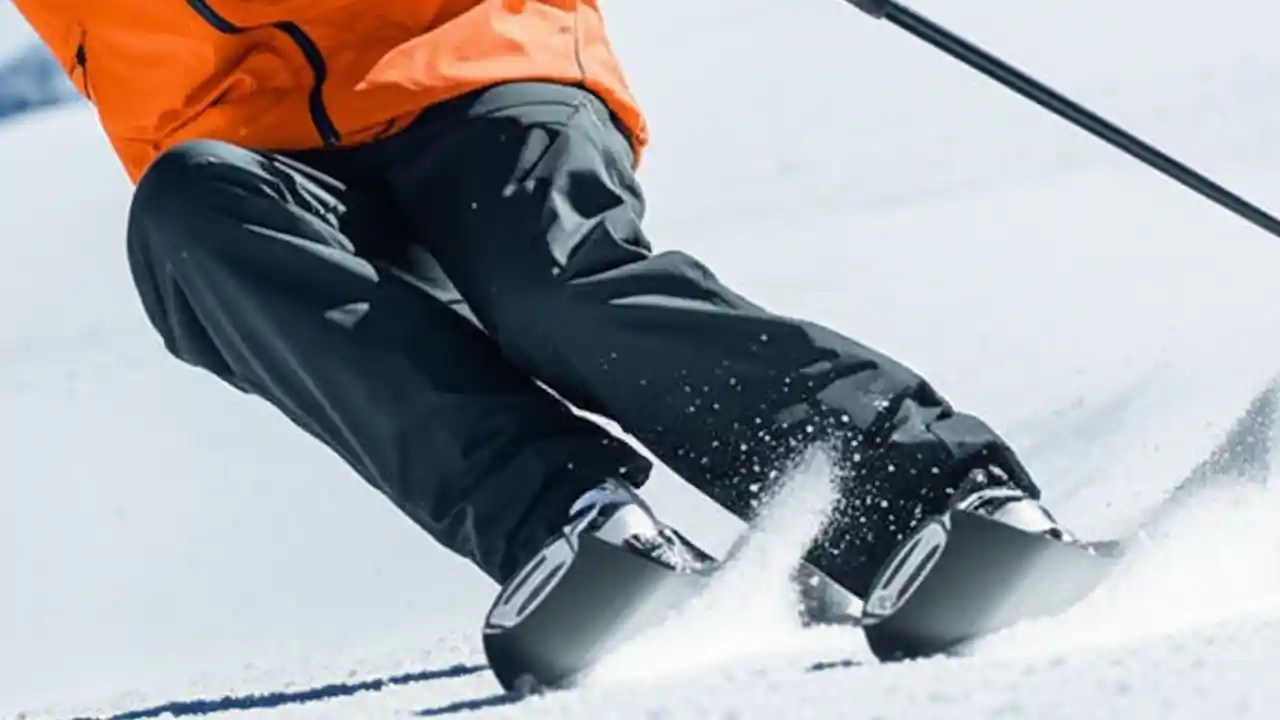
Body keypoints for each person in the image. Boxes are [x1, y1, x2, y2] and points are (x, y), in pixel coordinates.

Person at [14, 1, 1071, 607]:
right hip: (247, 152)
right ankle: (582, 534)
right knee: (185, 219)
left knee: (547, 284)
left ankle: (922, 505)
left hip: (469, 61)